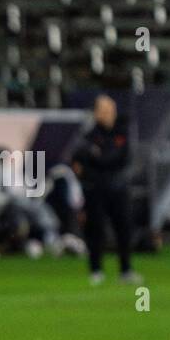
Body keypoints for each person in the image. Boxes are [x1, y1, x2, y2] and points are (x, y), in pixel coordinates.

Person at [73, 95, 140, 285]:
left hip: (118, 187)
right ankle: (96, 270)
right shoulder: (88, 135)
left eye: (110, 110)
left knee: (124, 228)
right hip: (96, 189)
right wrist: (97, 161)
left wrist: (97, 159)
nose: (108, 114)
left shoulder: (121, 133)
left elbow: (117, 158)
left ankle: (126, 270)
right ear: (96, 113)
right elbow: (79, 159)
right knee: (96, 230)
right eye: (103, 110)